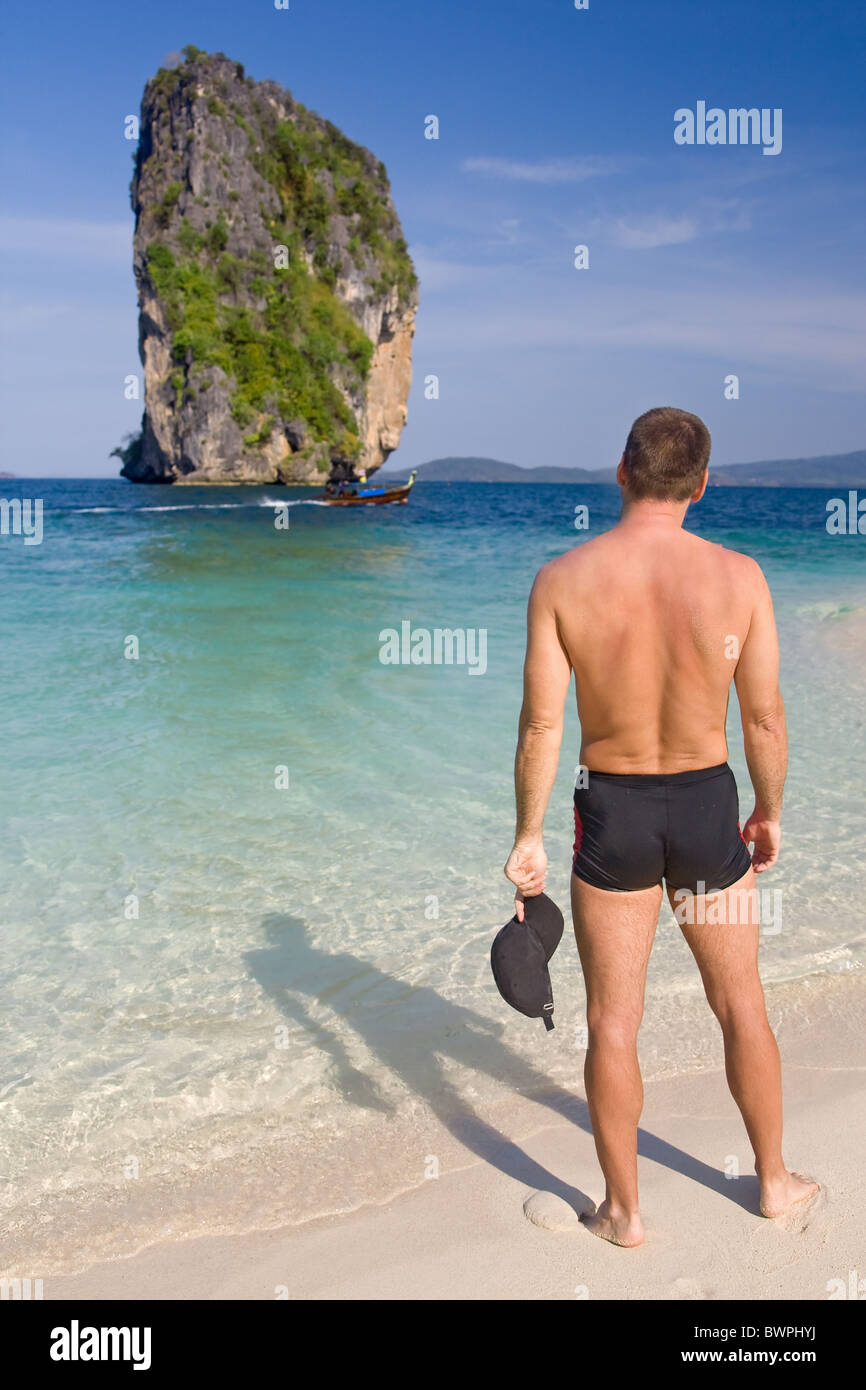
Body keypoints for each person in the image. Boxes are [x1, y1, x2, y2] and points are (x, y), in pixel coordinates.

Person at [504, 406, 819, 1248]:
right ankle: (775, 1184)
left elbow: (542, 726)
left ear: (621, 470)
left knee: (613, 1022)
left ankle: (625, 1213)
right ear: (703, 484)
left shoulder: (563, 579)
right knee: (741, 1004)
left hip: (613, 810)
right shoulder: (740, 577)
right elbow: (765, 721)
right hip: (710, 806)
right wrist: (770, 812)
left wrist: (528, 834)